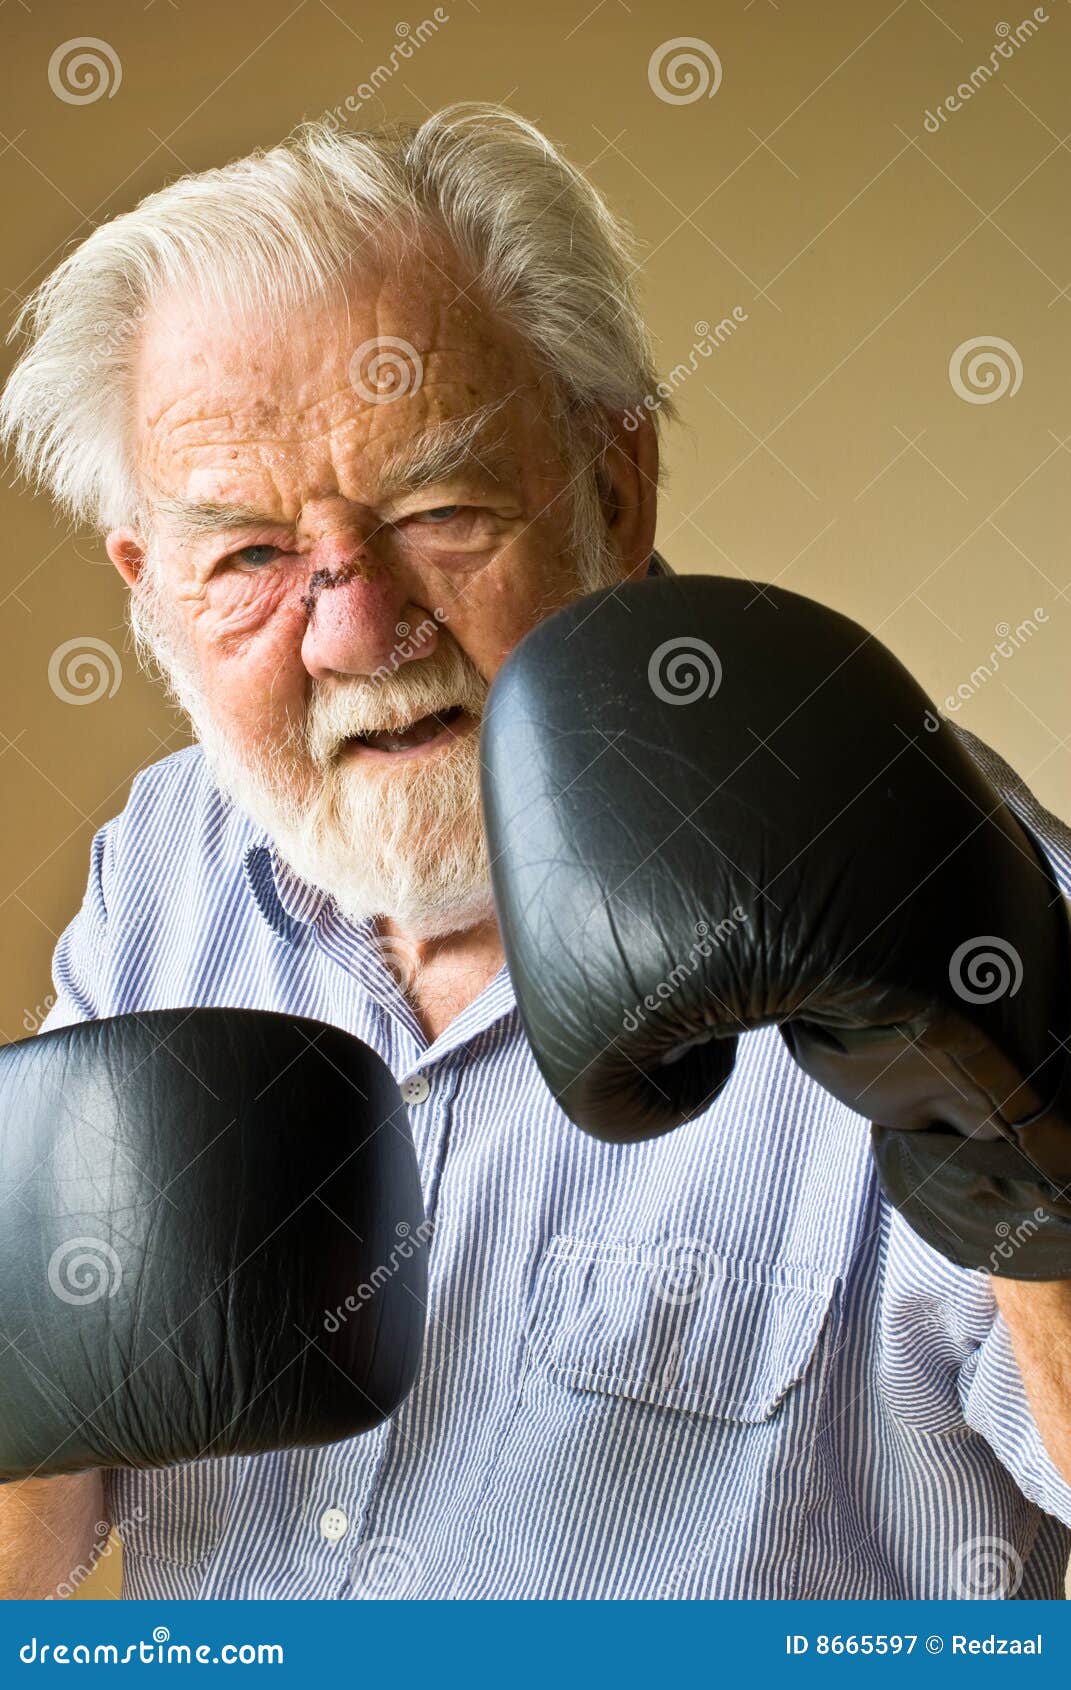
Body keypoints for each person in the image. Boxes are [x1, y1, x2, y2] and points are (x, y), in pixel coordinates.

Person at [1, 103, 1069, 1602]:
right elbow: (28, 1553)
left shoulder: (912, 865)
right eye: (246, 556)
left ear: (613, 486)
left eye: (440, 512)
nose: (359, 630)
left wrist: (1031, 1181)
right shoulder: (170, 863)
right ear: (148, 584)